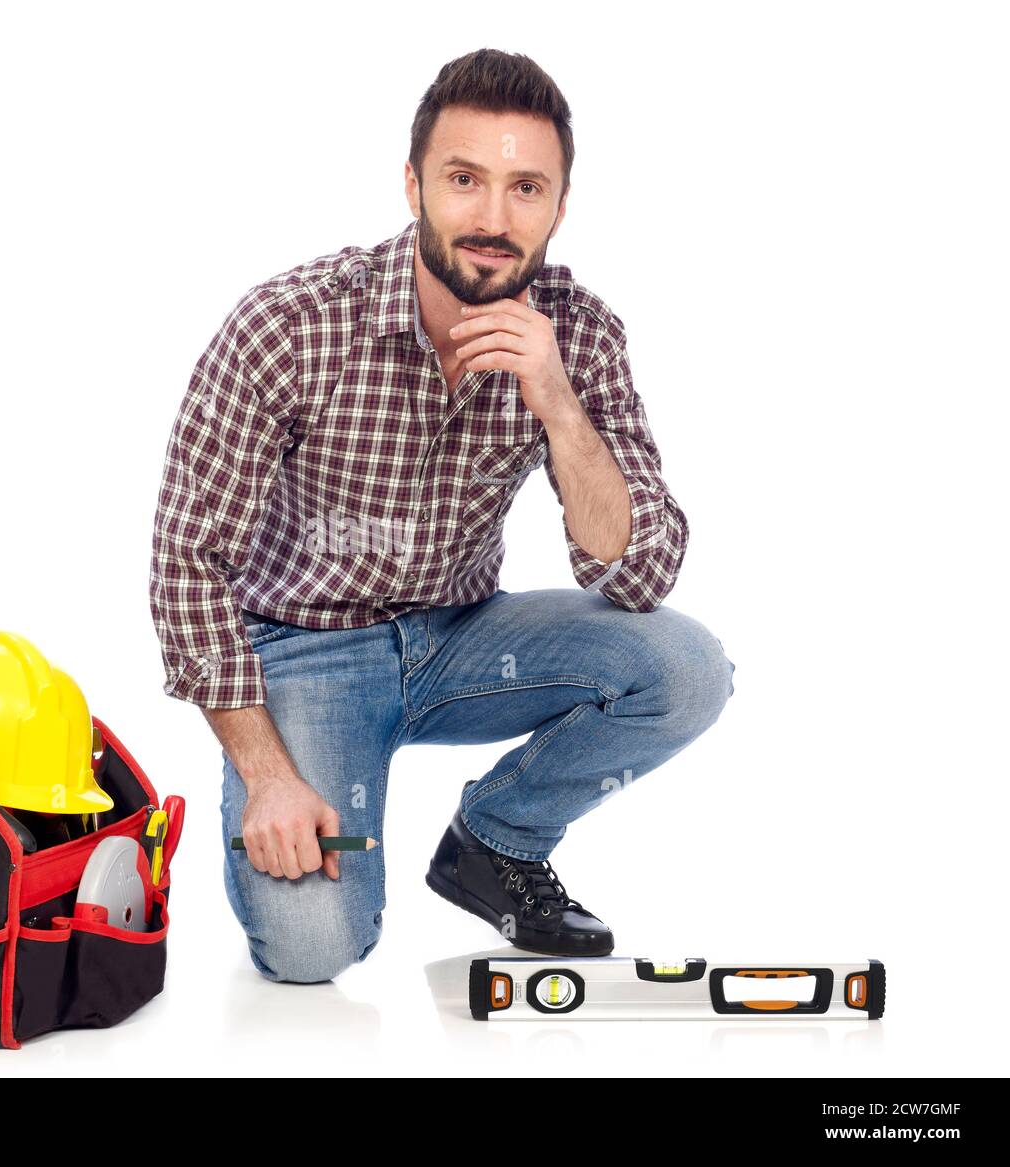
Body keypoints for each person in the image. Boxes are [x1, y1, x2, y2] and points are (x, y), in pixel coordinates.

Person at [149, 47, 734, 983]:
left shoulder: (577, 336)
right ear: (414, 183)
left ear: (559, 207)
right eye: (466, 179)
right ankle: (304, 799)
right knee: (311, 949)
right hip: (305, 647)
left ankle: (493, 838)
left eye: (526, 187)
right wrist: (267, 773)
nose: (494, 219)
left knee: (686, 668)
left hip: (464, 640)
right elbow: (187, 559)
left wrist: (556, 399)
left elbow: (639, 573)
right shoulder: (291, 324)